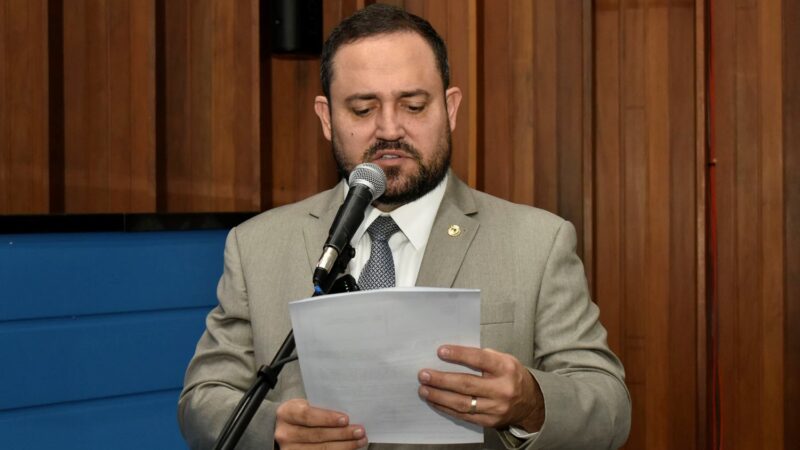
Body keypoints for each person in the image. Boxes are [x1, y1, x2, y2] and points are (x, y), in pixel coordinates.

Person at [178, 4, 630, 449]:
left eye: (413, 105)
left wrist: (531, 401)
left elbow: (609, 406)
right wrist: (273, 428)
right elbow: (202, 401)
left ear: (450, 109)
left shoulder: (537, 242)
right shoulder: (256, 245)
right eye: (361, 109)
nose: (389, 128)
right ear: (325, 117)